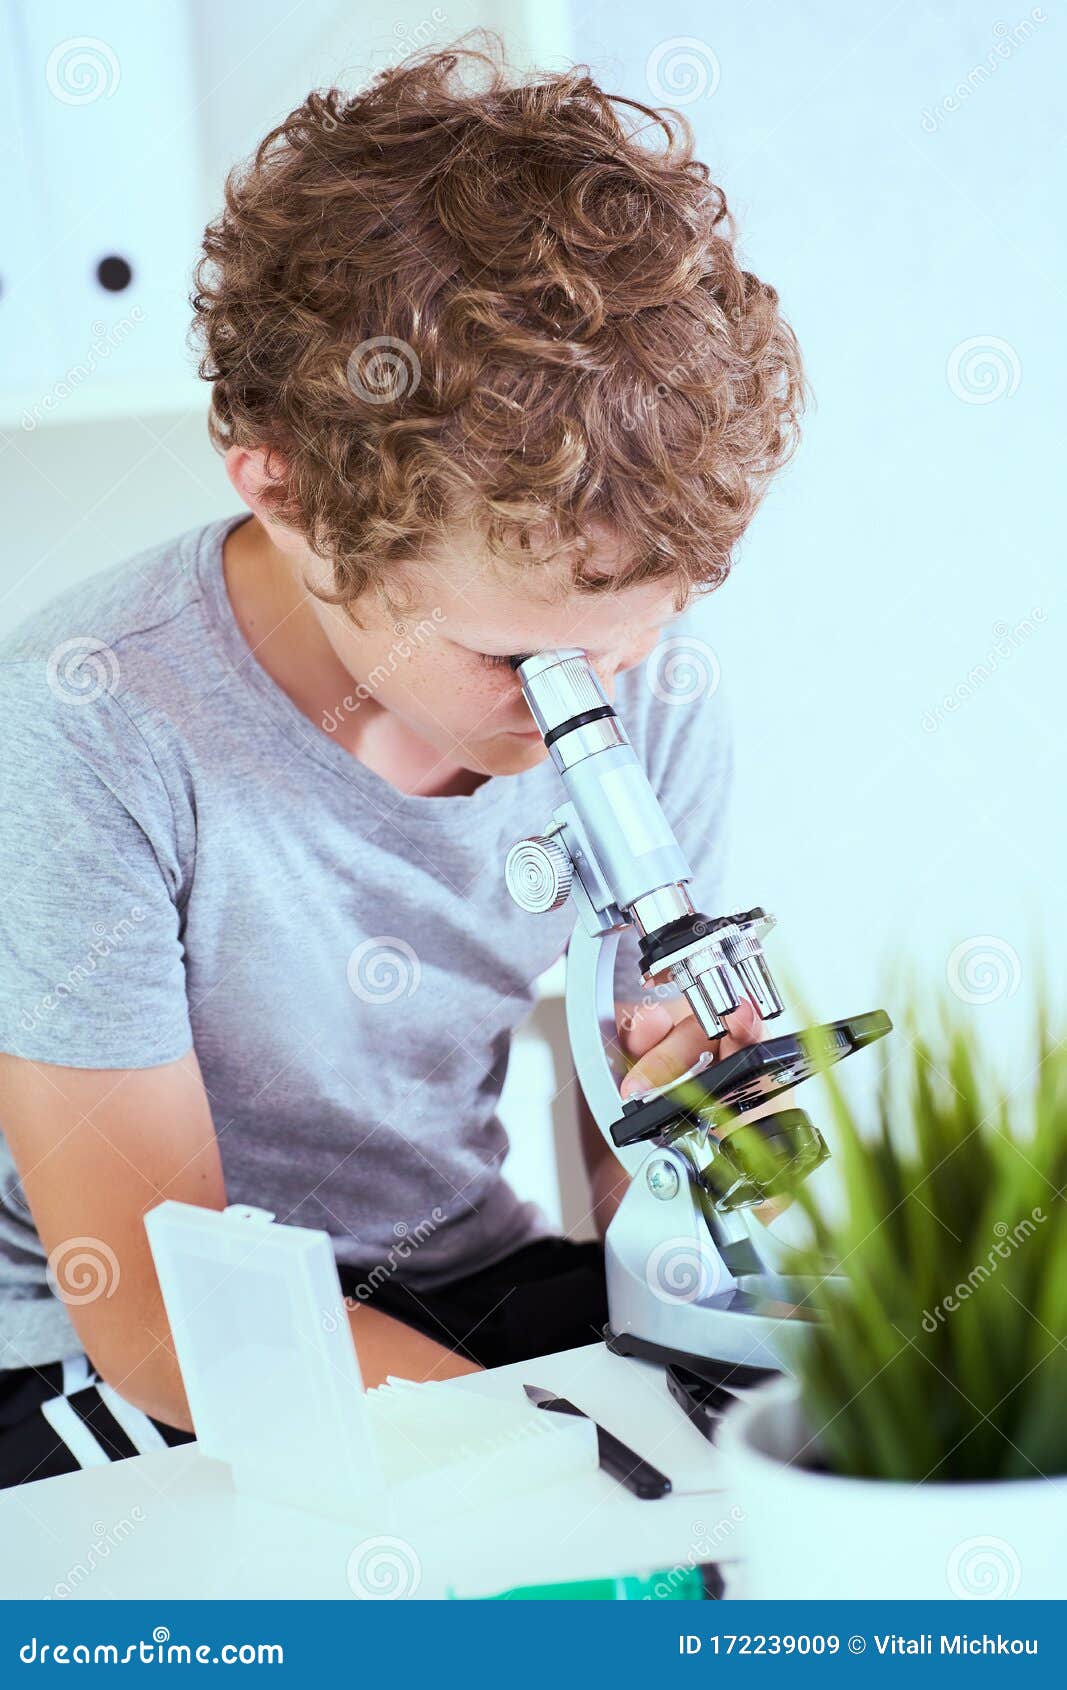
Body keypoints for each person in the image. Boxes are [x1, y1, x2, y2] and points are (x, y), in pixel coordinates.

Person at [0, 41, 803, 1486]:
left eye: (629, 644)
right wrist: (557, 1463)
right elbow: (151, 1313)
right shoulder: (86, 724)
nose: (592, 709)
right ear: (284, 491)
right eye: (523, 665)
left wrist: (695, 1149)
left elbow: (637, 1195)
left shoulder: (649, 684)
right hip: (107, 1351)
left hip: (449, 1276)